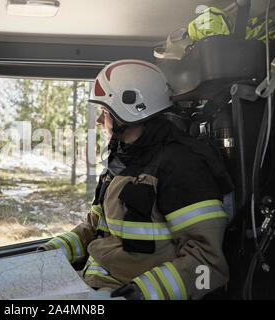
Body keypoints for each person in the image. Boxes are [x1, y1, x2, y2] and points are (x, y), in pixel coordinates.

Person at [39, 59, 234, 300]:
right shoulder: (122, 159)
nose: (100, 121)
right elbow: (95, 227)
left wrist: (140, 294)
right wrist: (48, 253)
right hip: (94, 286)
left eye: (104, 113)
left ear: (128, 112)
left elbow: (208, 265)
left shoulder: (181, 166)